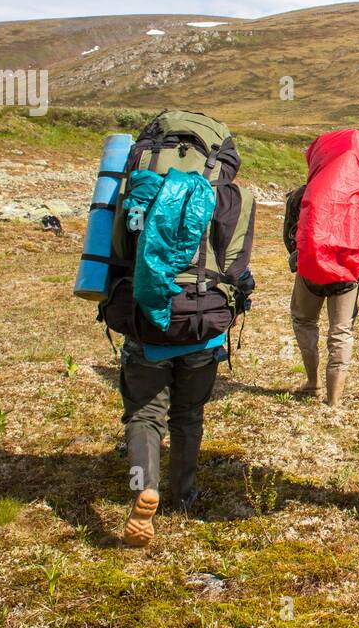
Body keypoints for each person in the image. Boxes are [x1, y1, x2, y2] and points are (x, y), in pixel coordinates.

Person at [98, 111, 255, 547]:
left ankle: (143, 487)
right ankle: (183, 494)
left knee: (144, 414)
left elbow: (114, 251)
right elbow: (237, 266)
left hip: (145, 315)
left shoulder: (134, 185)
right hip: (201, 319)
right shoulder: (231, 197)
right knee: (188, 414)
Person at [283, 129, 359, 406]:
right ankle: (334, 400)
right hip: (348, 274)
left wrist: (300, 260)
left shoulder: (300, 195)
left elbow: (290, 237)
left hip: (310, 271)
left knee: (304, 320)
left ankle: (313, 383)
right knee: (340, 332)